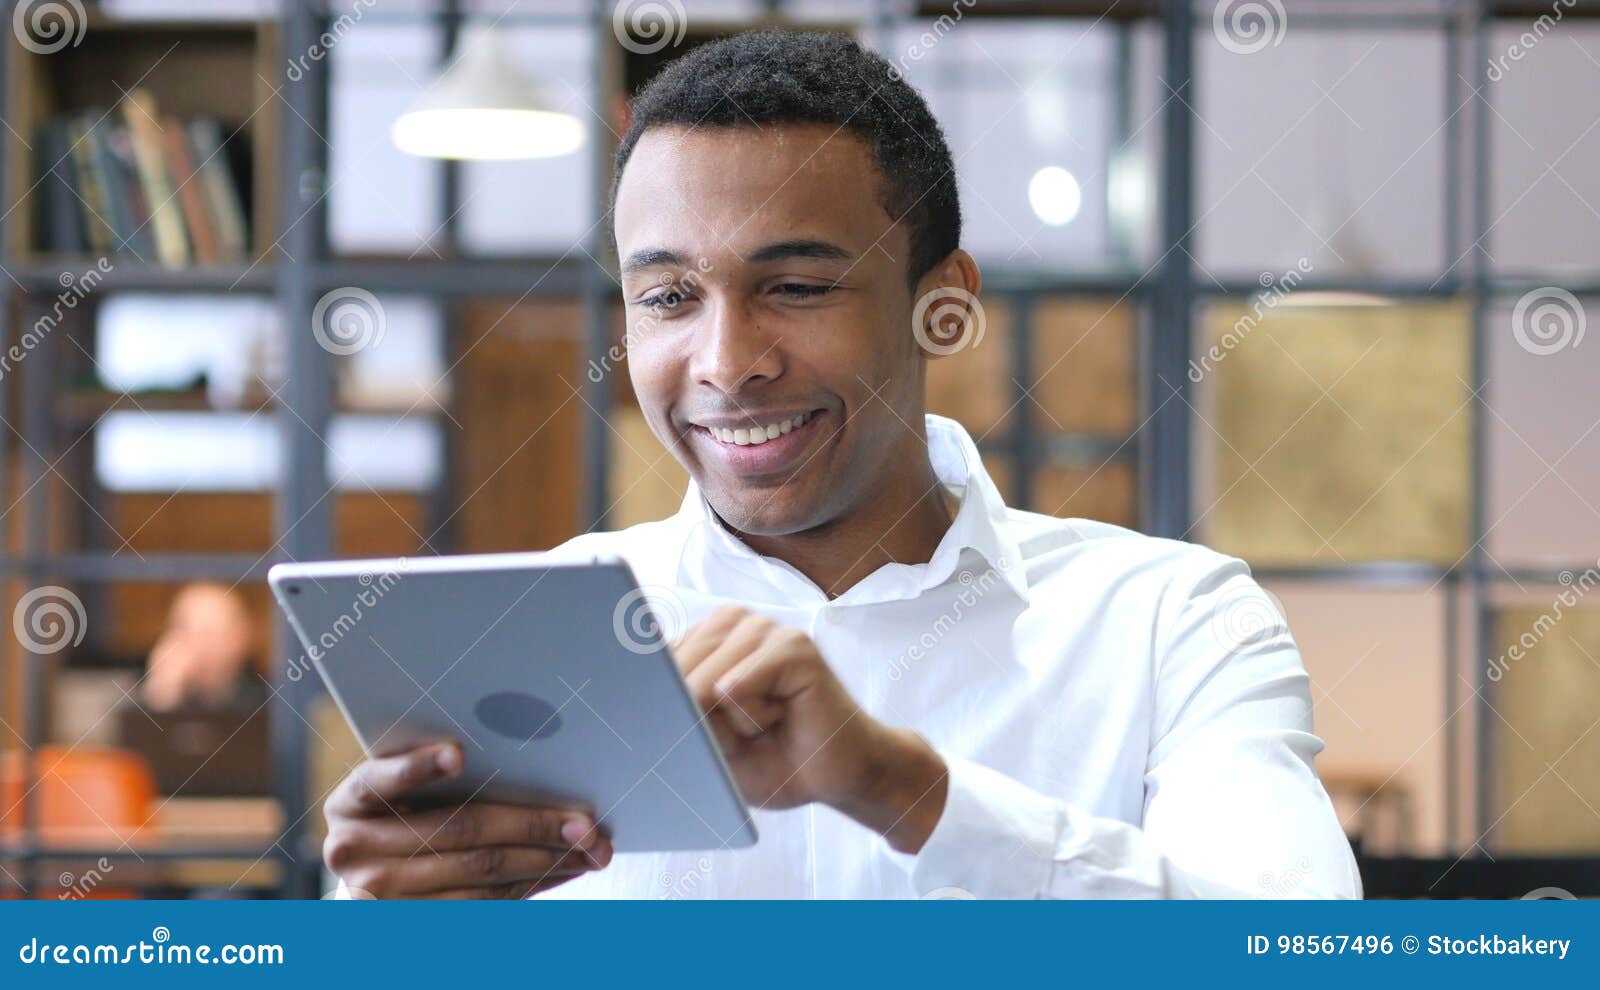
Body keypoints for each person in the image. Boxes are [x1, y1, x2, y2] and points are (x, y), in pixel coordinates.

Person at [321, 29, 1361, 900]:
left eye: (798, 288)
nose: (727, 364)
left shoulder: (1170, 623)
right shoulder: (531, 634)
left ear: (938, 300)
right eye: (670, 298)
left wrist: (899, 786)